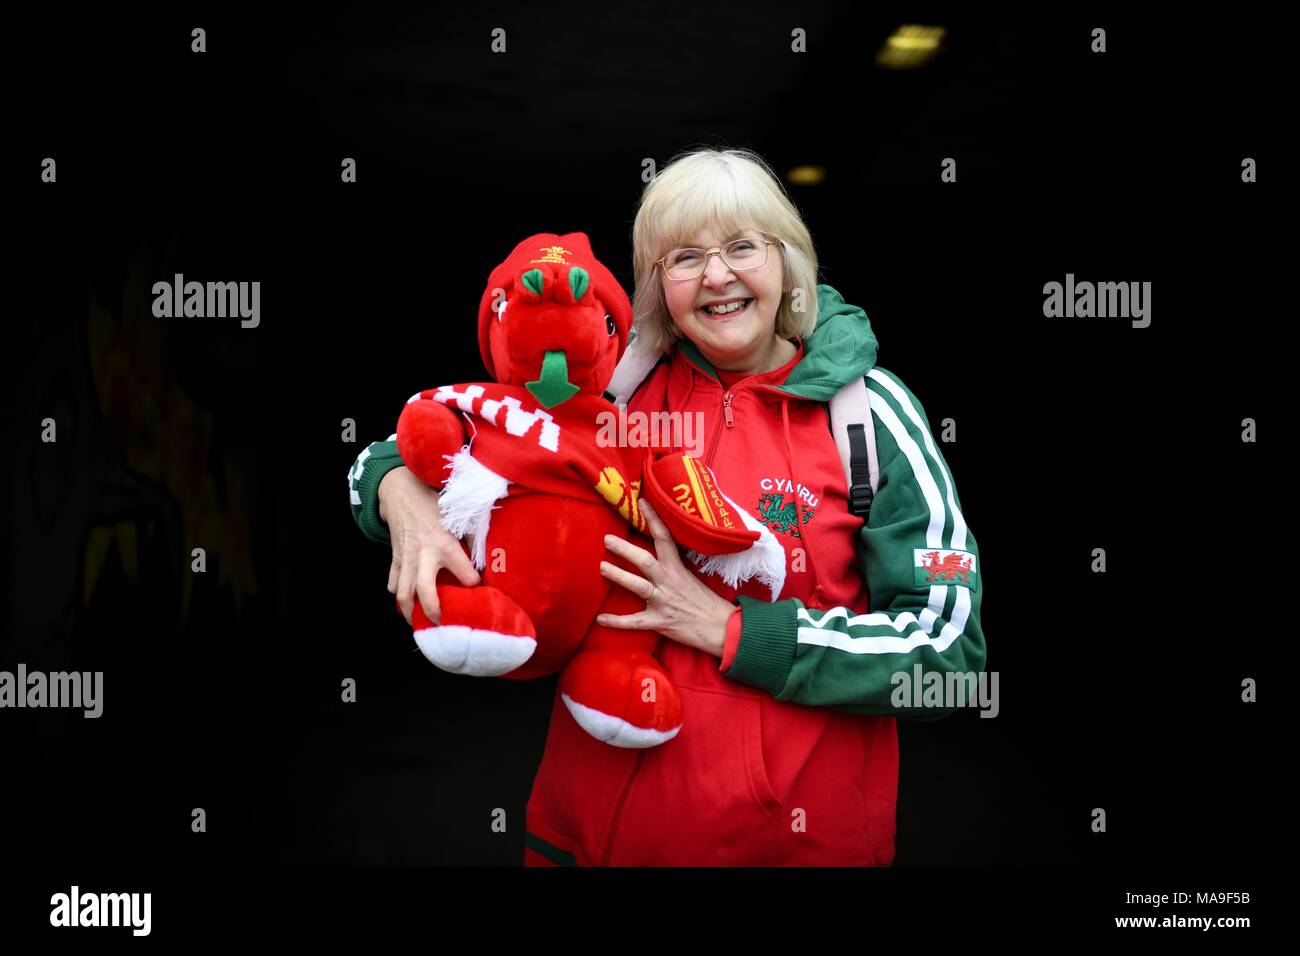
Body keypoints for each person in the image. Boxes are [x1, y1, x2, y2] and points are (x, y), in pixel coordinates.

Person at [346, 147, 986, 866]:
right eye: (684, 257)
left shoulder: (868, 415)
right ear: (657, 285)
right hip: (584, 838)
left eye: (743, 247)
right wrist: (400, 494)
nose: (717, 277)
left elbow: (949, 658)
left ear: (787, 262)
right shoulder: (616, 391)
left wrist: (736, 631)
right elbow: (429, 439)